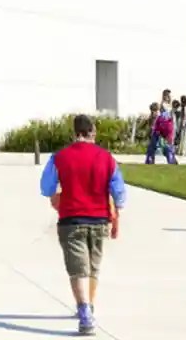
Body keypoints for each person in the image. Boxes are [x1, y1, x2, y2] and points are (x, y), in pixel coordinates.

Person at [40, 114, 127, 336]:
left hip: (71, 219)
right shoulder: (107, 158)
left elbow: (47, 188)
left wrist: (58, 196)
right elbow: (119, 192)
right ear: (92, 132)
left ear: (75, 132)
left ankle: (85, 312)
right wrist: (116, 214)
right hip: (99, 220)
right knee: (93, 267)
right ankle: (89, 305)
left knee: (78, 268)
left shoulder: (59, 157)